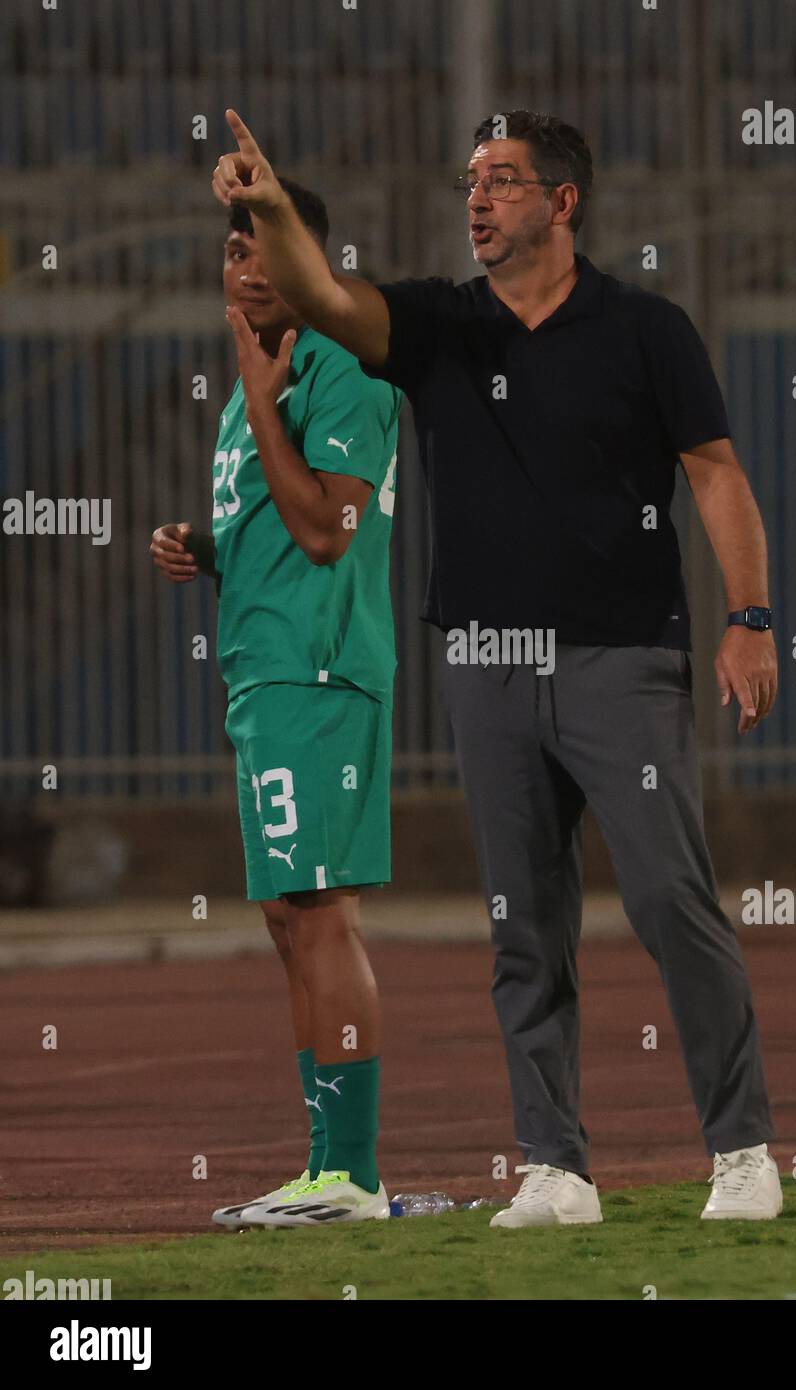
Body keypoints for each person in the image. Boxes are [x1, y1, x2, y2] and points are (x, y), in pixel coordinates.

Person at [211, 108, 782, 1227]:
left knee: (671, 900)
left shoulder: (646, 327)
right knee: (525, 924)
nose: (479, 198)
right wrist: (272, 211)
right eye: (472, 178)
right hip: (485, 665)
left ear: (563, 203)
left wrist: (750, 614)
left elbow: (714, 473)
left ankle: (742, 1147)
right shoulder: (438, 326)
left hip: (624, 658)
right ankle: (553, 1164)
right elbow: (326, 300)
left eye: (505, 180)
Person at [150, 177, 402, 1227]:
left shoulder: (339, 366)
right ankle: (326, 1170)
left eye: (267, 249)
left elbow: (326, 533)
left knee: (320, 915)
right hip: (265, 670)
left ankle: (349, 1176)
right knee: (289, 920)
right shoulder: (260, 378)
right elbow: (276, 527)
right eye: (232, 249)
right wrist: (209, 550)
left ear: (309, 261)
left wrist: (260, 395)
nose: (246, 267)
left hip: (316, 670)